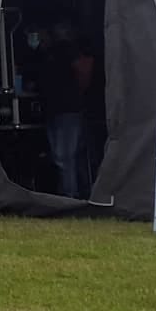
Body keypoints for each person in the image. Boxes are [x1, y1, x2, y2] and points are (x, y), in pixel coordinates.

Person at [37, 22, 96, 199]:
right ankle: (76, 191)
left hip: (68, 109)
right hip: (56, 109)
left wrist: (78, 92)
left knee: (65, 156)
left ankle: (70, 194)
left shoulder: (68, 50)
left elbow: (85, 67)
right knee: (66, 155)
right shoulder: (49, 53)